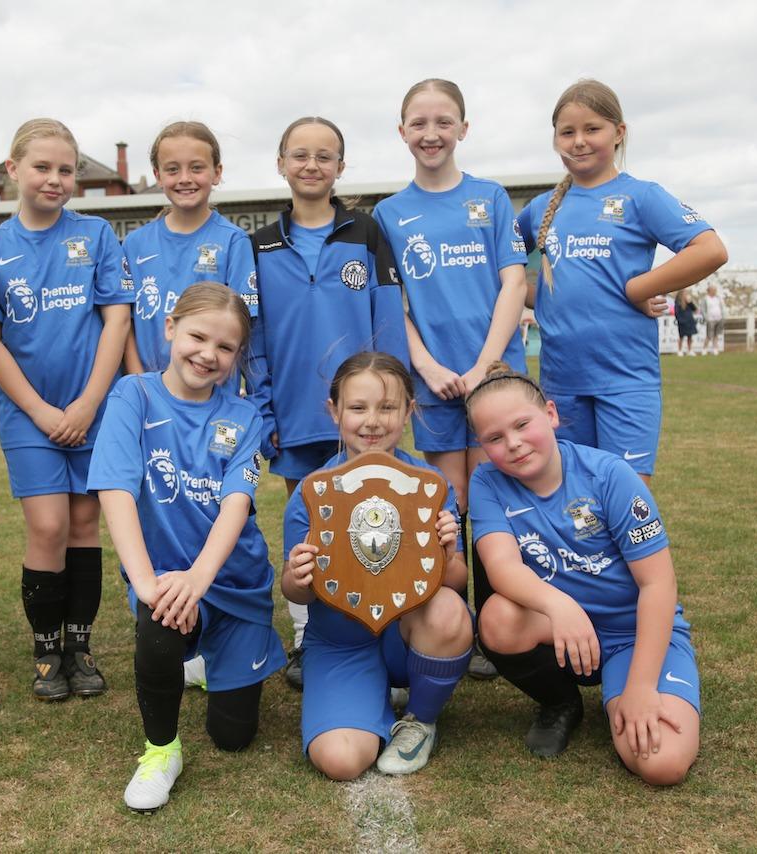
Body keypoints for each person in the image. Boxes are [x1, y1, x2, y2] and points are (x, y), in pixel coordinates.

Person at [89, 283, 286, 812]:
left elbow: (235, 506)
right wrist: (148, 584)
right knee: (160, 616)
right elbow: (116, 491)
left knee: (233, 737)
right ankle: (161, 750)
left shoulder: (243, 417)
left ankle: (205, 659)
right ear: (171, 328)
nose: (209, 354)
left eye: (226, 348)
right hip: (173, 586)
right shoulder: (134, 395)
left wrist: (199, 579)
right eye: (198, 336)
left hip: (235, 583)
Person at [467, 362, 700, 785]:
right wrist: (560, 605)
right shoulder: (486, 482)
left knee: (661, 763)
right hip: (562, 631)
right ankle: (561, 702)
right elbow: (501, 567)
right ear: (482, 446)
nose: (514, 444)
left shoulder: (610, 474)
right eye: (495, 438)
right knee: (497, 619)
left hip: (633, 634)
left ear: (551, 415)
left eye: (522, 424)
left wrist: (642, 687)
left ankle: (631, 683)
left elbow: (657, 583)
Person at [249, 116, 410, 687]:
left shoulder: (366, 233)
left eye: (324, 156)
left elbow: (388, 319)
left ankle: (382, 621)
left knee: (375, 510)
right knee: (309, 522)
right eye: (300, 155)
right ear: (281, 164)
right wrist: (265, 409)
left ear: (340, 167)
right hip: (295, 413)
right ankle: (307, 634)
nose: (312, 165)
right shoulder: (258, 245)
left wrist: (389, 399)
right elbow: (256, 338)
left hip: (364, 415)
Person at [373, 79, 528, 669]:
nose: (431, 133)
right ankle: (454, 624)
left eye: (443, 122)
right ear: (402, 132)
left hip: (495, 380)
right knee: (448, 503)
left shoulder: (489, 199)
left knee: (496, 499)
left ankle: (498, 625)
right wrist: (429, 367)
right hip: (436, 386)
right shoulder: (389, 214)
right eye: (418, 123)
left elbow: (514, 281)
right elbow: (397, 305)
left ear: (464, 128)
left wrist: (487, 365)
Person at [0, 118, 133, 701]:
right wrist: (43, 412)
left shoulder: (94, 236)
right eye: (42, 167)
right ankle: (47, 651)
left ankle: (79, 646)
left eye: (65, 169)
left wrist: (90, 403)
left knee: (86, 523)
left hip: (92, 411)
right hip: (30, 416)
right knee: (48, 525)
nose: (55, 179)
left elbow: (116, 318)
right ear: (12, 171)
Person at [514, 79, 727, 485]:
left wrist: (638, 288)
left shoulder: (641, 196)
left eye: (592, 129)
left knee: (626, 501)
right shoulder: (542, 207)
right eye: (567, 132)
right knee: (574, 499)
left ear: (619, 132)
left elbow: (710, 249)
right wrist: (538, 297)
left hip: (626, 380)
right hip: (561, 383)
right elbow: (500, 266)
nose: (579, 141)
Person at [283, 351, 472, 780]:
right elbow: (293, 591)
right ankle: (360, 700)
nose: (373, 421)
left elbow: (456, 580)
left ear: (408, 411)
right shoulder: (313, 492)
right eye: (358, 407)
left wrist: (445, 553)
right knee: (341, 760)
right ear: (334, 411)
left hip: (406, 633)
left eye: (387, 407)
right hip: (341, 641)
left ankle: (420, 719)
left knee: (445, 611)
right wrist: (297, 575)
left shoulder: (429, 485)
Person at [123, 121, 259, 387]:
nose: (185, 178)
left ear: (216, 172)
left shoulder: (233, 242)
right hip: (149, 395)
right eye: (173, 169)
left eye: (196, 168)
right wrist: (138, 382)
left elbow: (243, 330)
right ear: (158, 175)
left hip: (212, 395)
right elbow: (123, 324)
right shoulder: (134, 244)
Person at [699, 283, 725, 355]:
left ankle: (715, 349)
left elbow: (721, 308)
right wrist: (706, 318)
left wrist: (722, 316)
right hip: (710, 319)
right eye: (713, 290)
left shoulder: (718, 298)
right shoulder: (705, 299)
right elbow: (703, 309)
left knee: (716, 334)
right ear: (709, 290)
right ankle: (704, 349)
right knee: (709, 335)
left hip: (718, 318)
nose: (715, 291)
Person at [674, 288, 699, 356]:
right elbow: (676, 313)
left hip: (690, 321)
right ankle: (679, 350)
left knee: (690, 336)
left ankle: (690, 350)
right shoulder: (678, 303)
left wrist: (690, 302)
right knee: (681, 337)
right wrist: (680, 320)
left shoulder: (689, 302)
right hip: (682, 322)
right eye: (685, 293)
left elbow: (695, 309)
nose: (686, 295)